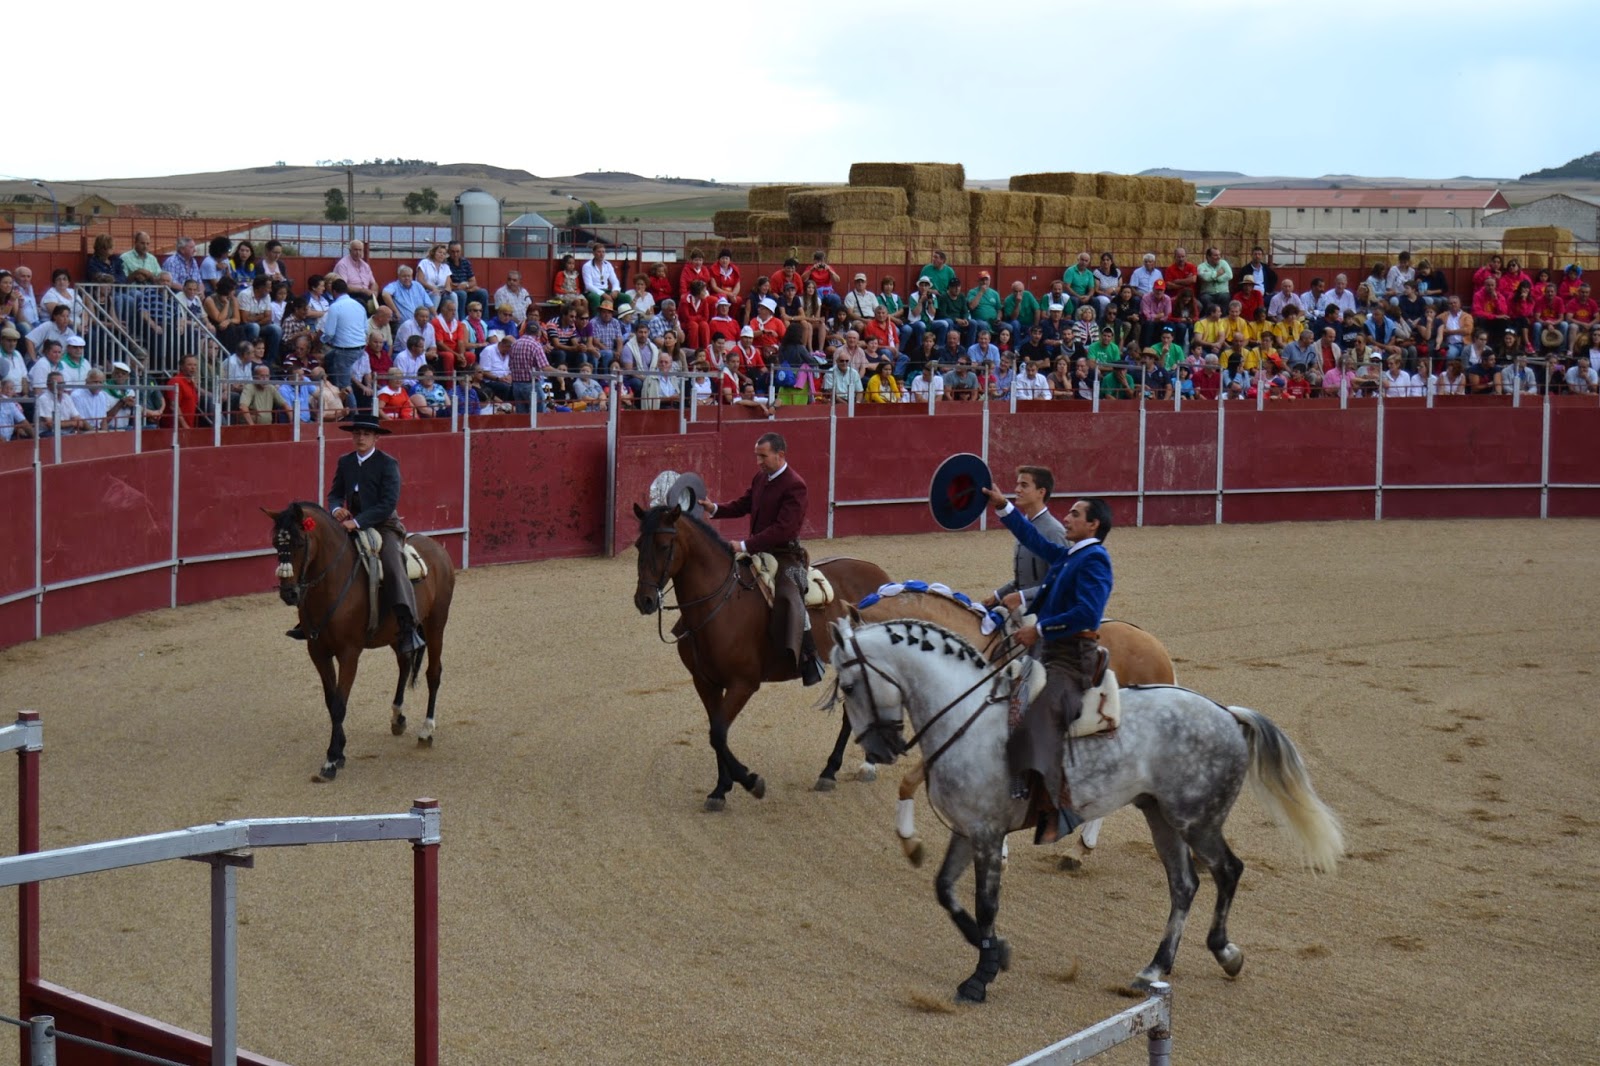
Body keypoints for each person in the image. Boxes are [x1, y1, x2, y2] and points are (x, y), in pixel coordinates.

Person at [980, 486, 1113, 845]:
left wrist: (1038, 627)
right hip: (1050, 650)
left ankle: (1061, 807)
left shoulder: (1095, 559)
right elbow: (1035, 540)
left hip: (1072, 658)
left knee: (1040, 716)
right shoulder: (1071, 555)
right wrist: (1004, 507)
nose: (1066, 518)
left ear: (1093, 524)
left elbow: (1088, 612)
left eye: (1074, 514)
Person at [286, 414, 426, 657]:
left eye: (366, 434)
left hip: (384, 526)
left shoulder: (387, 463)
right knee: (320, 559)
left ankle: (407, 626)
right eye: (357, 434)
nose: (361, 438)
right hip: (349, 523)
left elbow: (387, 503)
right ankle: (309, 620)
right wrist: (336, 508)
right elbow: (335, 493)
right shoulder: (346, 461)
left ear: (375, 438)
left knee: (392, 565)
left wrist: (357, 521)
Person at [704, 432, 825, 685]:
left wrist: (744, 544)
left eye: (763, 456)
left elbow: (785, 529)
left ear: (780, 455)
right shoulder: (762, 477)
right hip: (759, 551)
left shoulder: (795, 485)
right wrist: (714, 508)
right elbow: (743, 504)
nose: (758, 461)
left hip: (787, 557)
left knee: (789, 597)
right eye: (757, 456)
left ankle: (809, 656)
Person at [982, 466, 1066, 611]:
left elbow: (1061, 582)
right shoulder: (1027, 524)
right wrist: (998, 595)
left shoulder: (1054, 531)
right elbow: (1027, 579)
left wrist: (1020, 596)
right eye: (1018, 484)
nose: (1017, 489)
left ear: (1041, 492)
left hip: (1047, 613)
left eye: (1024, 485)